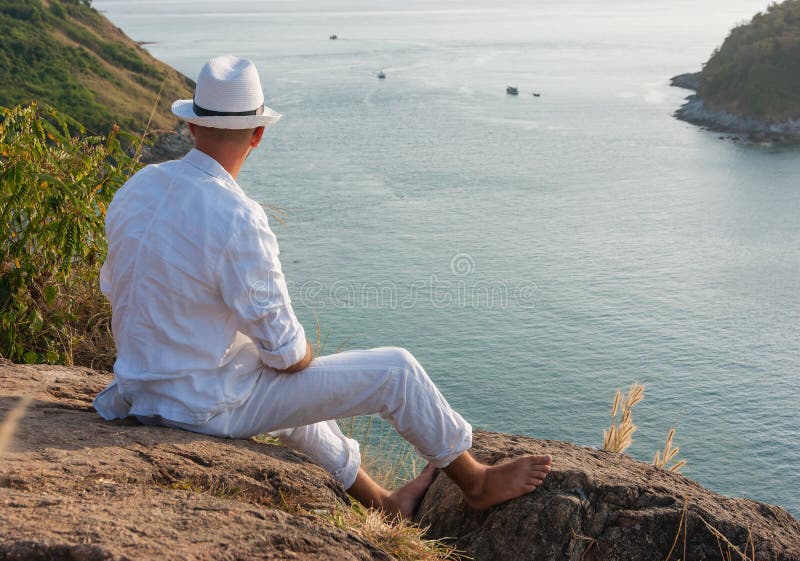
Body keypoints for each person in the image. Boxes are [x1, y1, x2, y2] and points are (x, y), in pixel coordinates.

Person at [93, 55, 551, 518]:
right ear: (258, 134)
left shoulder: (138, 187)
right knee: (395, 371)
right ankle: (476, 482)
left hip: (139, 394)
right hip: (199, 409)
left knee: (276, 394)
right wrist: (300, 354)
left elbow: (119, 290)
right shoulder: (237, 216)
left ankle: (386, 504)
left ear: (192, 126)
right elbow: (287, 354)